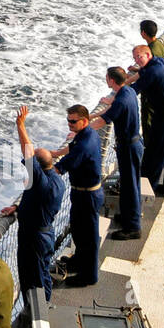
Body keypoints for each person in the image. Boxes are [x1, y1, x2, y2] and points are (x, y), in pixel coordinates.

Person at [0, 106, 65, 305]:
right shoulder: (56, 181)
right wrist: (18, 208)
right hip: (44, 235)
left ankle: (37, 317)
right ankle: (41, 310)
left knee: (33, 281)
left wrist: (20, 125)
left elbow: (27, 152)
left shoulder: (41, 183)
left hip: (34, 239)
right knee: (41, 275)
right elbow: (38, 204)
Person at [52, 104, 103, 287]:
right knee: (80, 232)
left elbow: (59, 168)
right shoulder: (86, 134)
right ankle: (79, 261)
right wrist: (56, 153)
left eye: (73, 121)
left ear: (84, 121)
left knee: (89, 237)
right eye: (68, 121)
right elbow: (70, 148)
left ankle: (89, 276)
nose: (69, 124)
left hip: (87, 196)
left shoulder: (84, 144)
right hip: (82, 193)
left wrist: (36, 164)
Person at [92, 68, 143, 239]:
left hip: (128, 147)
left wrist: (81, 129)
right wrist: (91, 116)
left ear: (111, 80)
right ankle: (128, 217)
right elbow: (109, 110)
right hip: (133, 144)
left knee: (130, 187)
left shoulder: (121, 100)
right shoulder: (127, 92)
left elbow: (102, 122)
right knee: (130, 183)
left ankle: (133, 228)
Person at [129, 45, 164, 197]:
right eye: (135, 58)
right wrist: (136, 69)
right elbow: (144, 73)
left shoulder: (152, 71)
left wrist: (115, 95)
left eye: (139, 57)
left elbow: (134, 90)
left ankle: (146, 190)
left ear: (148, 54)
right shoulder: (159, 62)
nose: (137, 60)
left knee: (154, 152)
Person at [136, 19, 164, 137]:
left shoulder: (150, 50)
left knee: (148, 119)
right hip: (160, 87)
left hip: (151, 91)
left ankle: (149, 144)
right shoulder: (159, 44)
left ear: (143, 33)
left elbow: (148, 71)